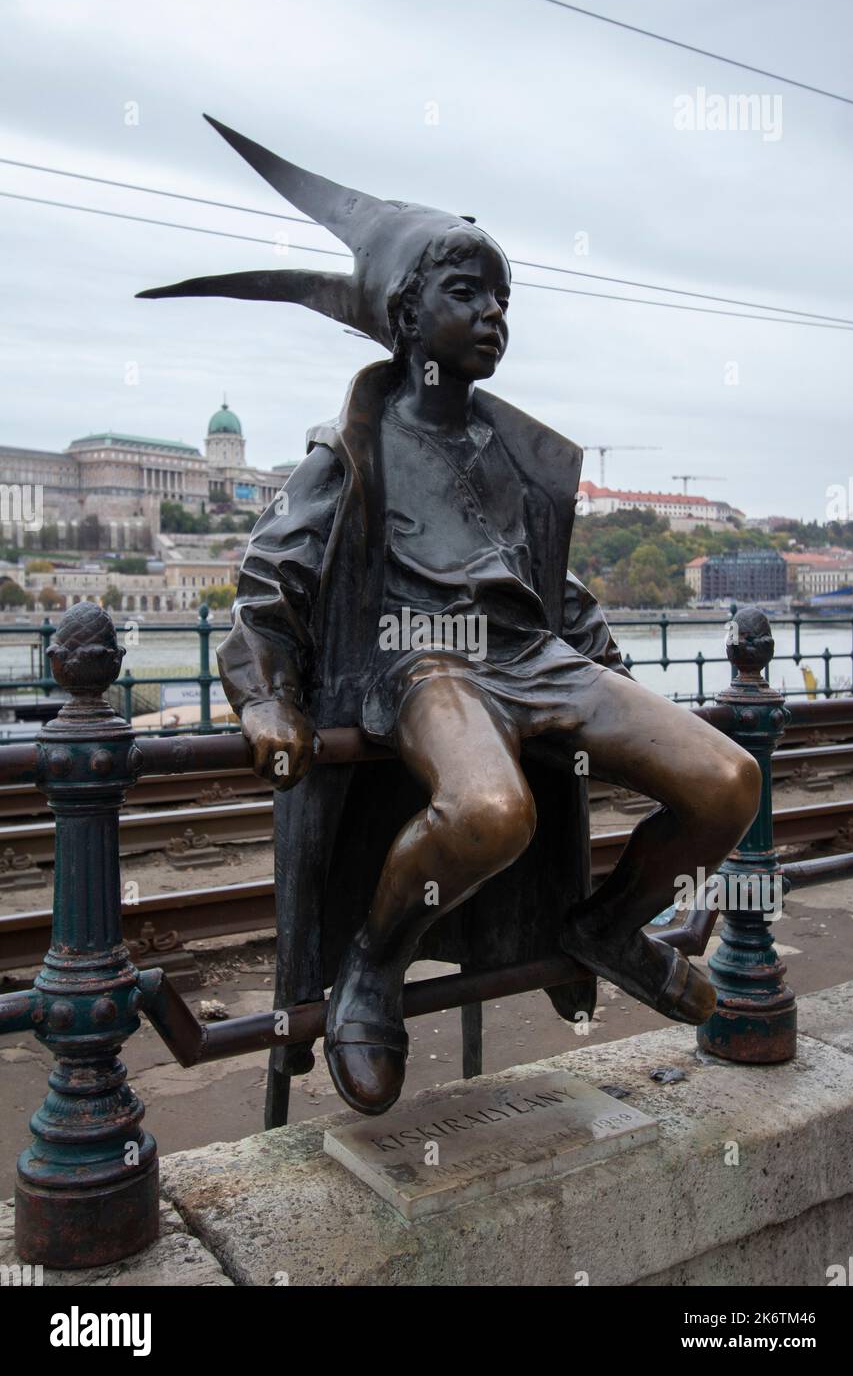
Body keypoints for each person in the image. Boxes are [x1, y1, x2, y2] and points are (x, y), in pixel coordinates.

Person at [139, 117, 760, 1115]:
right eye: (463, 294)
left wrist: (613, 683)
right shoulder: (353, 448)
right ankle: (370, 971)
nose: (491, 315)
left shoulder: (518, 455)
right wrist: (264, 700)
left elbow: (551, 591)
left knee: (728, 780)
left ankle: (603, 926)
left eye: (501, 299)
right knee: (489, 812)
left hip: (531, 657)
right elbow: (267, 583)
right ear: (402, 312)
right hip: (419, 660)